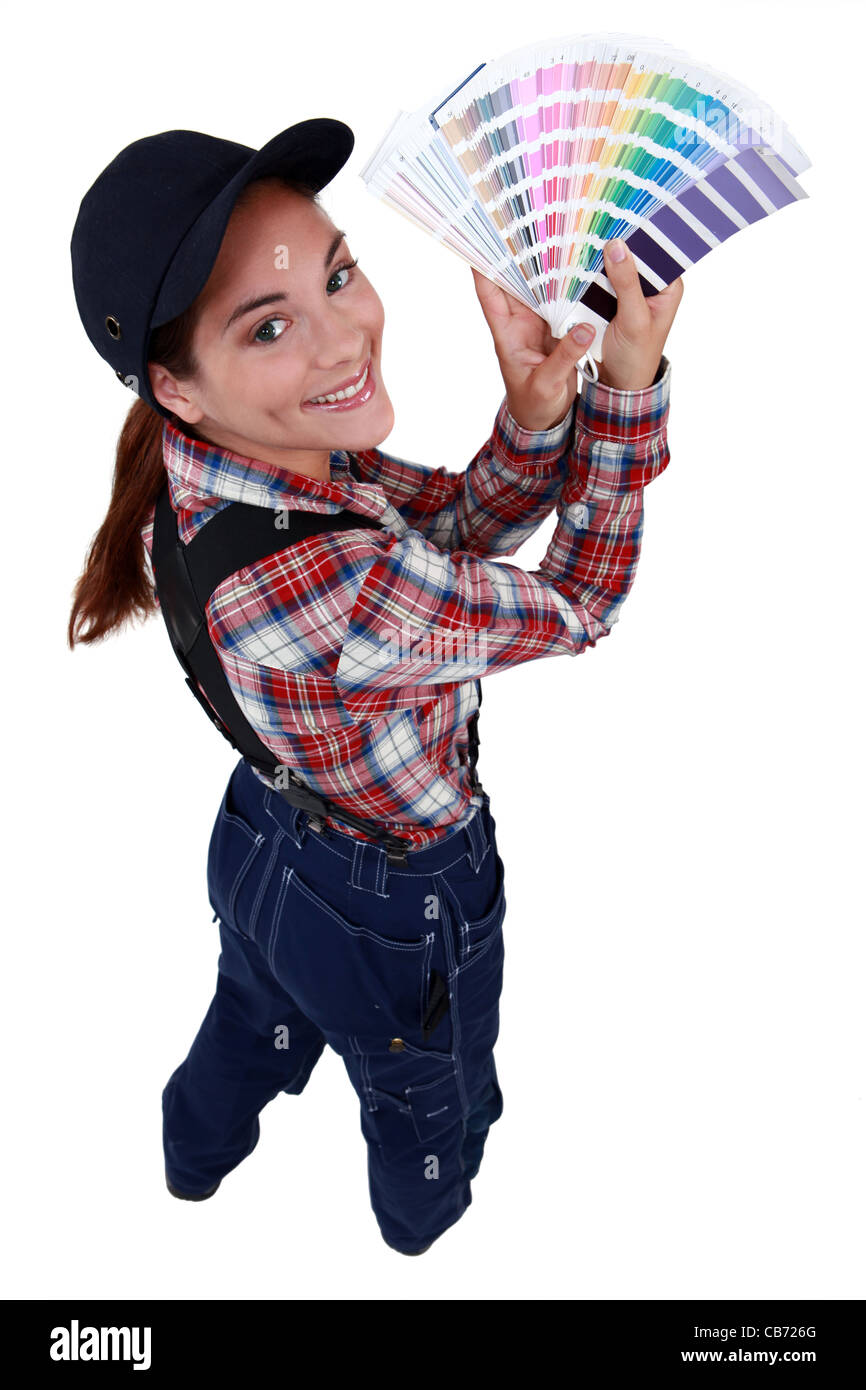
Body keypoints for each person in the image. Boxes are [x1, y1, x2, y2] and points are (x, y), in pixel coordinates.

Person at [67, 119, 683, 1255]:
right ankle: (424, 1232)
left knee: (247, 1014)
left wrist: (538, 416)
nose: (343, 336)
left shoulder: (241, 456)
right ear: (177, 385)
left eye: (337, 272)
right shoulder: (318, 588)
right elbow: (576, 605)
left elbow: (441, 534)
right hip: (387, 906)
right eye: (269, 325)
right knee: (428, 1097)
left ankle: (189, 1160)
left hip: (266, 843)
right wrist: (625, 382)